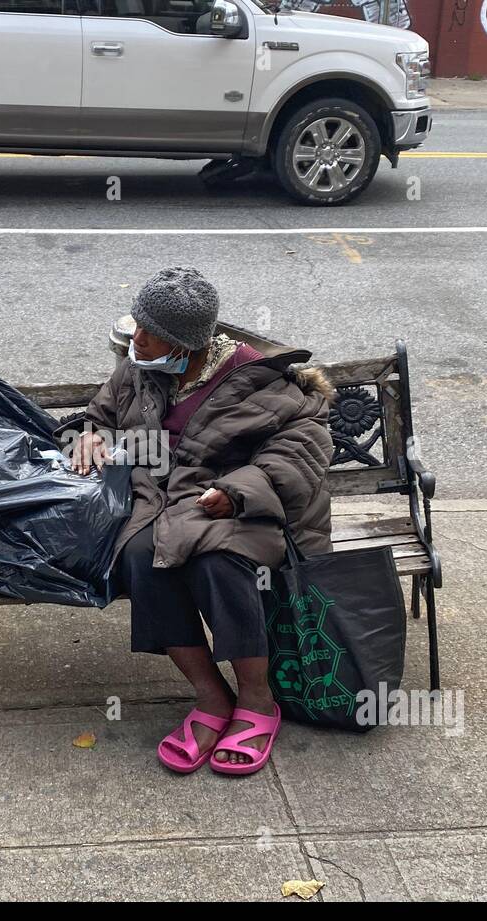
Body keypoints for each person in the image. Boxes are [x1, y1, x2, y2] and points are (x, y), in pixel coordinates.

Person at [69, 267, 333, 776]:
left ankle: (257, 700)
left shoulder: (256, 377)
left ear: (188, 344)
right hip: (158, 500)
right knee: (143, 560)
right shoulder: (139, 365)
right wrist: (92, 433)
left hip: (238, 504)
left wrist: (237, 493)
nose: (135, 339)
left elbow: (303, 446)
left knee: (217, 564)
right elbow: (101, 412)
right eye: (137, 324)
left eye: (150, 332)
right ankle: (211, 698)